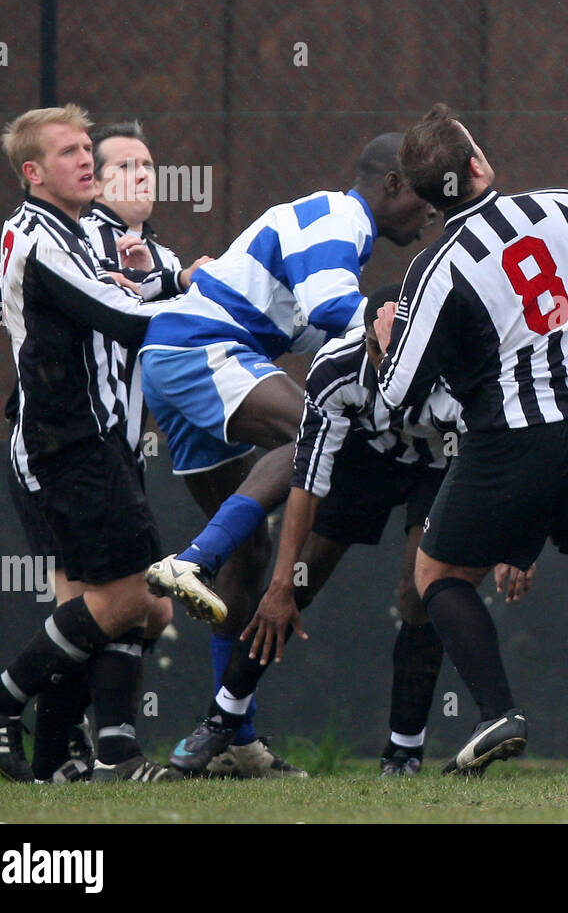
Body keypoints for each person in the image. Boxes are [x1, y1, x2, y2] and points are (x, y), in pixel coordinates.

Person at [374, 102, 568, 776]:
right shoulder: (557, 208)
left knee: (436, 573)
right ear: (478, 163)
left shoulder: (435, 268)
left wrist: (386, 340)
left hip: (513, 444)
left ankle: (498, 710)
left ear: (424, 197)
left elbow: (398, 396)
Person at [138, 133, 434, 776]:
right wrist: (414, 332)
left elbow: (312, 324)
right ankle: (190, 560)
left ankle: (235, 739)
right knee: (313, 432)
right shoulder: (342, 218)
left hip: (180, 359)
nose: (431, 209)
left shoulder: (332, 228)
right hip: (200, 348)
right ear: (390, 185)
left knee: (250, 553)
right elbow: (335, 309)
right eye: (422, 192)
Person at [0, 106, 201, 783]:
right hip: (66, 442)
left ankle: (75, 758)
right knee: (131, 600)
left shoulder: (70, 231)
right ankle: (0, 700)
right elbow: (119, 319)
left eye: (89, 148)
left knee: (119, 606)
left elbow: (96, 296)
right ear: (33, 172)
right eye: (71, 152)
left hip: (94, 443)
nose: (88, 160)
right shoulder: (43, 236)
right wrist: (208, 301)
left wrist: (140, 278)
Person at [166, 285, 460, 777]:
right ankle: (223, 718)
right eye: (379, 350)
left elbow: (493, 454)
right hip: (366, 460)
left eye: (404, 351)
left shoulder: (461, 368)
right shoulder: (337, 367)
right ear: (365, 341)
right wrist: (280, 583)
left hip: (438, 466)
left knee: (419, 589)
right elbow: (307, 479)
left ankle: (403, 751)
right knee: (298, 581)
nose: (391, 366)